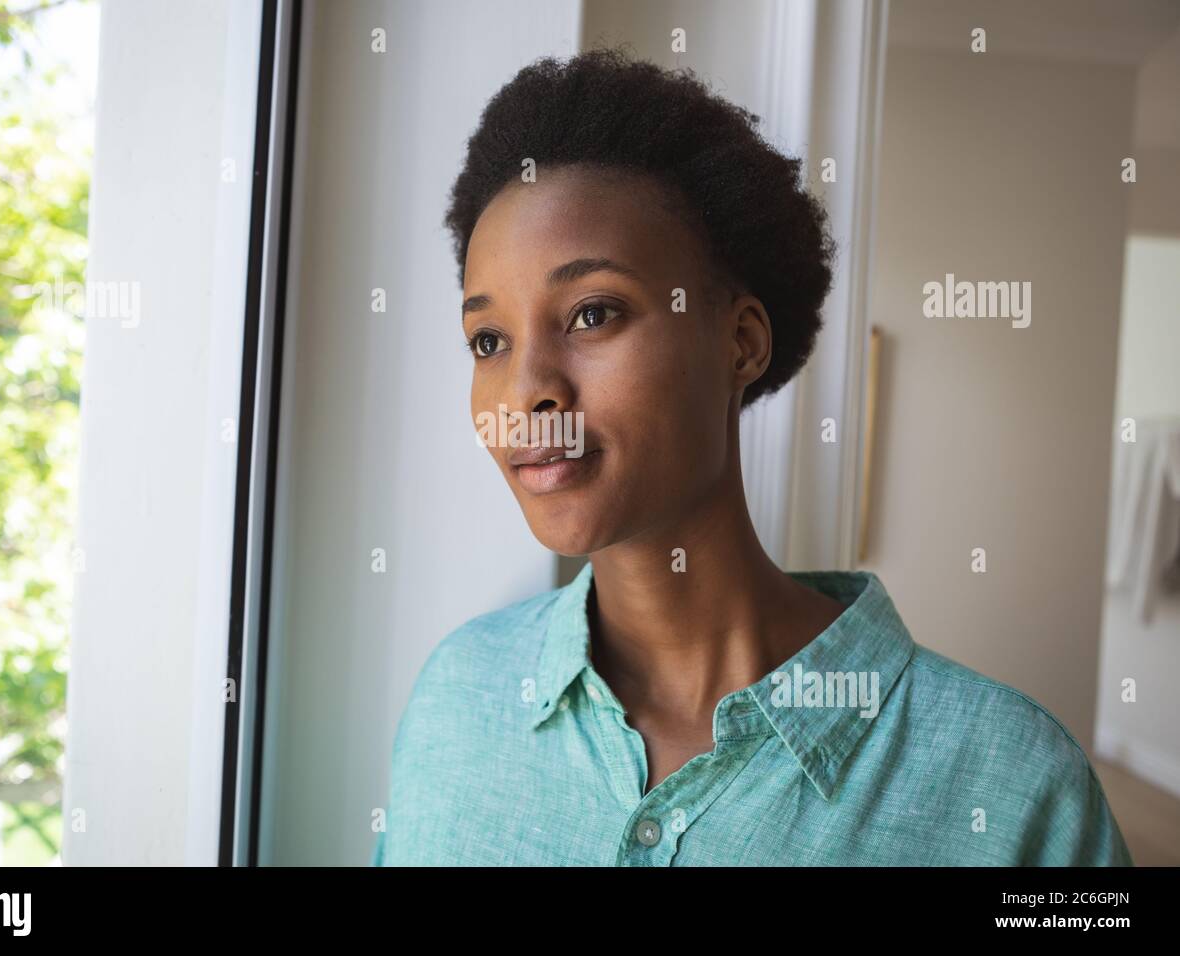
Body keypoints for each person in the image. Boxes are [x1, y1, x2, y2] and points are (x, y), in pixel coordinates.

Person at [372, 48, 1132, 866]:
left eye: (592, 314)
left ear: (740, 341)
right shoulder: (457, 698)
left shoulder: (1011, 786)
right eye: (488, 339)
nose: (526, 394)